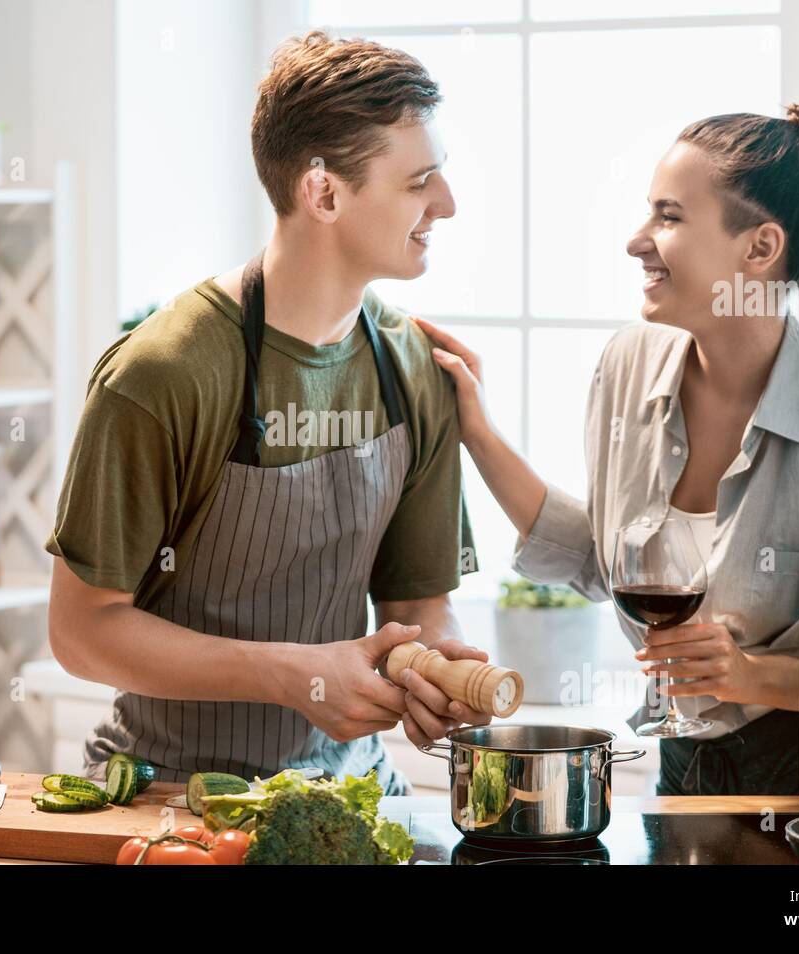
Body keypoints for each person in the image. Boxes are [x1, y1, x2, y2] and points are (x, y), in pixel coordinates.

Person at [418, 67, 799, 796]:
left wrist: (754, 675)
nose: (637, 241)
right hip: (684, 763)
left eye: (670, 217)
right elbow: (598, 563)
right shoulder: (626, 368)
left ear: (759, 249)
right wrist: (477, 432)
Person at [44, 31, 489, 795]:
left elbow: (418, 602)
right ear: (323, 194)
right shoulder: (163, 373)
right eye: (420, 181)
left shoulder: (412, 364)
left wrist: (441, 666)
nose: (446, 203)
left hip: (355, 794)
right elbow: (81, 630)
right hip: (169, 799)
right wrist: (292, 675)